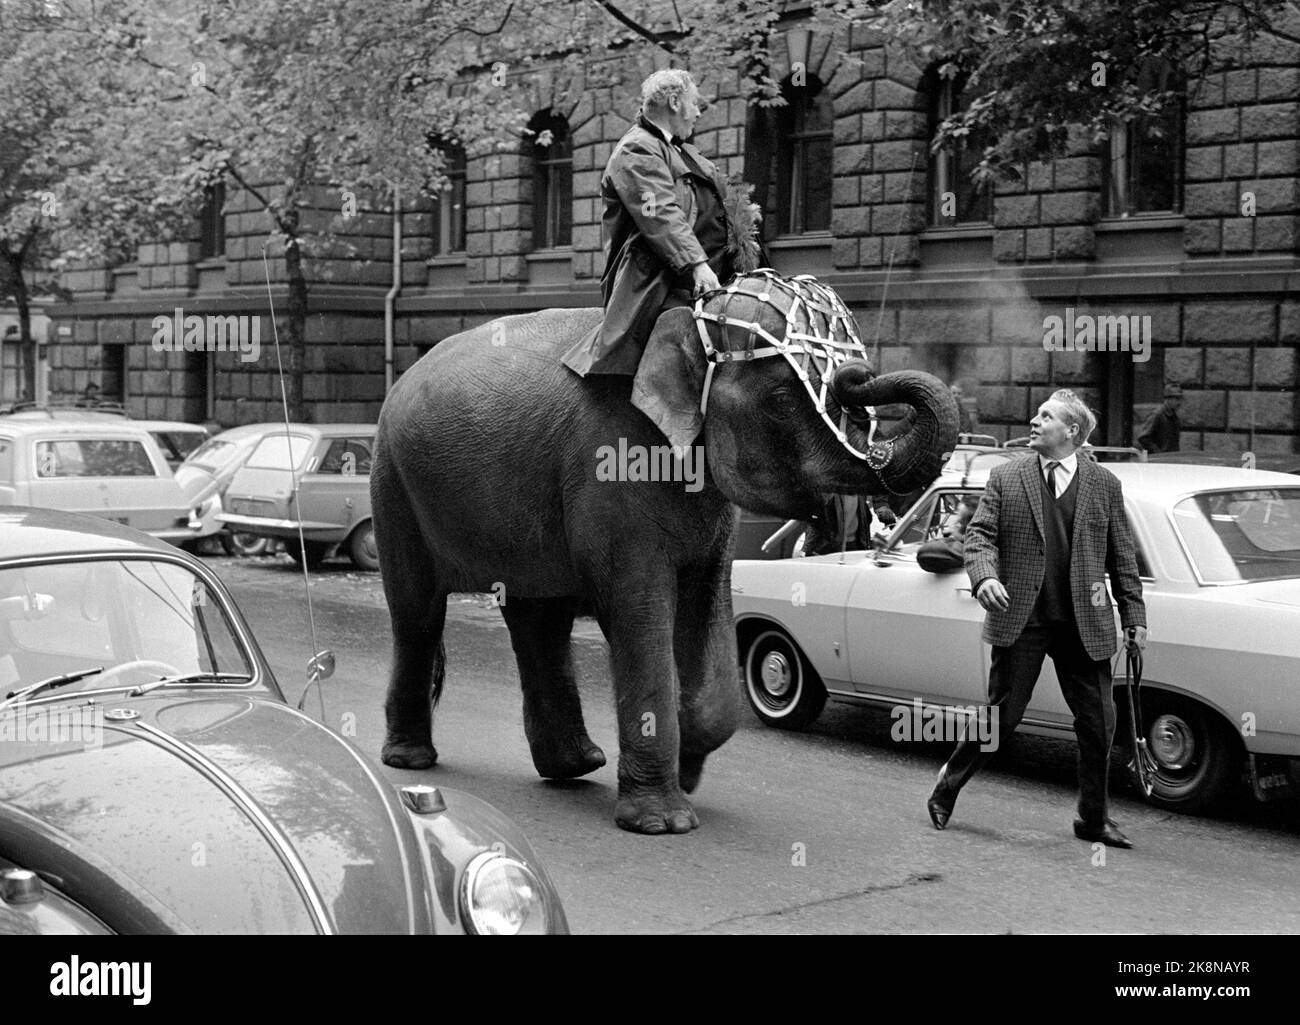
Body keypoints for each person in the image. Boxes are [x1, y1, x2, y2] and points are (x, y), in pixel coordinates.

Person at [927, 389, 1148, 848]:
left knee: (1099, 724)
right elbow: (980, 537)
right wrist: (984, 576)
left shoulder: (1104, 484)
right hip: (1022, 617)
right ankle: (948, 786)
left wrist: (1134, 614)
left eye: (1045, 416)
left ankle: (1092, 819)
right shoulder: (1007, 477)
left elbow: (1121, 557)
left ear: (1072, 431)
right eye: (1036, 413)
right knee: (1001, 720)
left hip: (1083, 623)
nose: (1033, 420)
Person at [562, 68, 735, 377]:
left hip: (708, 277)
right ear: (674, 102)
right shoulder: (637, 148)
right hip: (663, 283)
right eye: (694, 103)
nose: (697, 112)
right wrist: (696, 264)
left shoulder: (674, 148)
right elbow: (658, 212)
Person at [916, 495, 978, 573]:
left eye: (958, 516)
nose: (954, 521)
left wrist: (956, 537)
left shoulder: (971, 550)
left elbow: (926, 552)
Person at [1136, 384, 1182, 453]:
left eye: (1180, 399)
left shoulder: (1174, 417)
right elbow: (1143, 438)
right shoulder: (1158, 415)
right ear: (1168, 399)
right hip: (1160, 460)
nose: (1179, 403)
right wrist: (1157, 452)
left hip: (1171, 458)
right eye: (1176, 399)